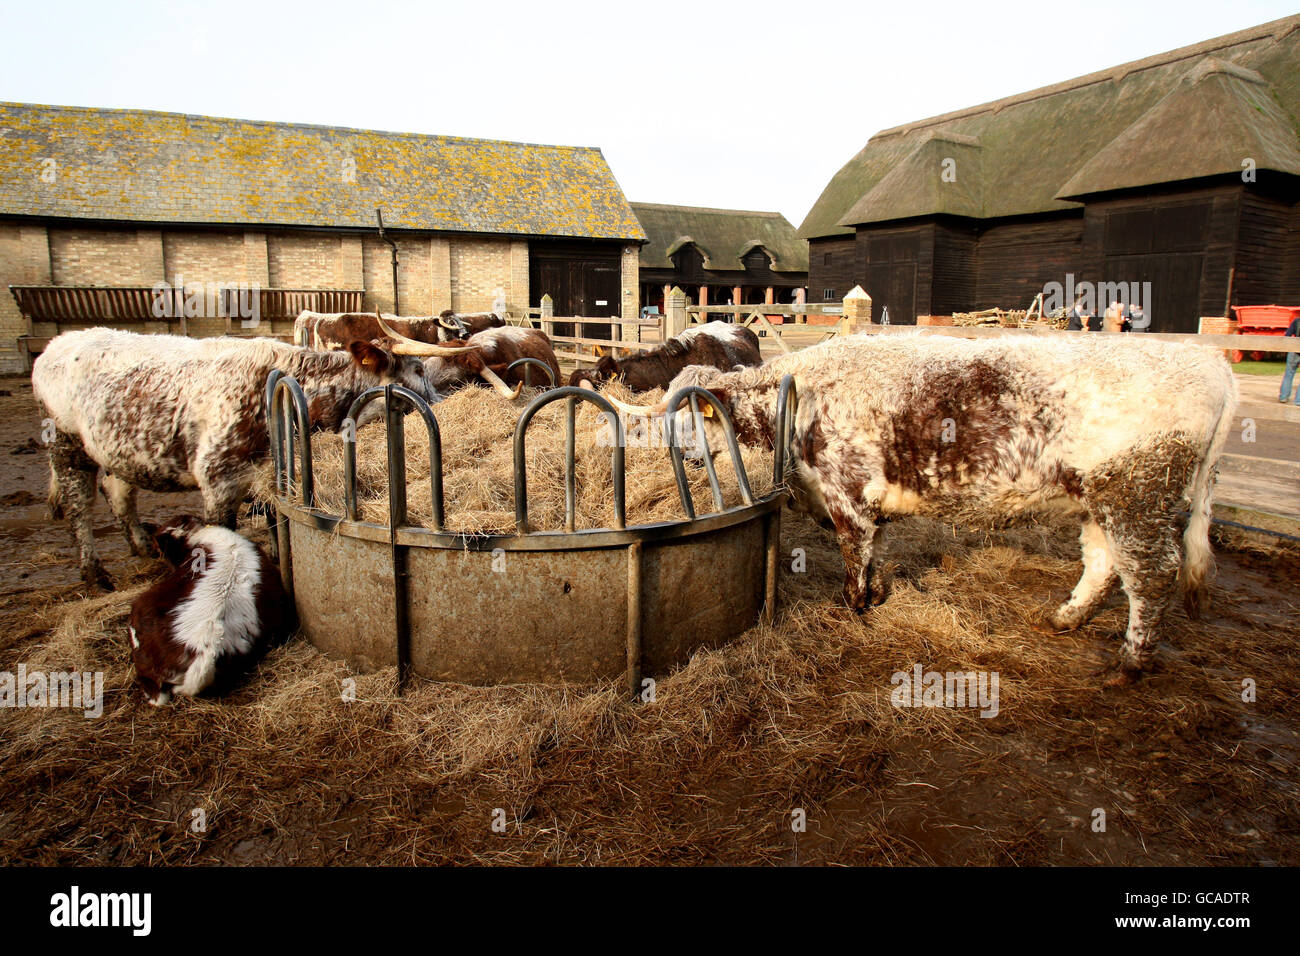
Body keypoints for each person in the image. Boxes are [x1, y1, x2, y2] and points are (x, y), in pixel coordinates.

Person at [1280, 315, 1300, 405]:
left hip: (1294, 351)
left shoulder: (1296, 321)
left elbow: (1287, 335)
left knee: (1288, 374)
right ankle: (1298, 400)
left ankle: (1283, 397)